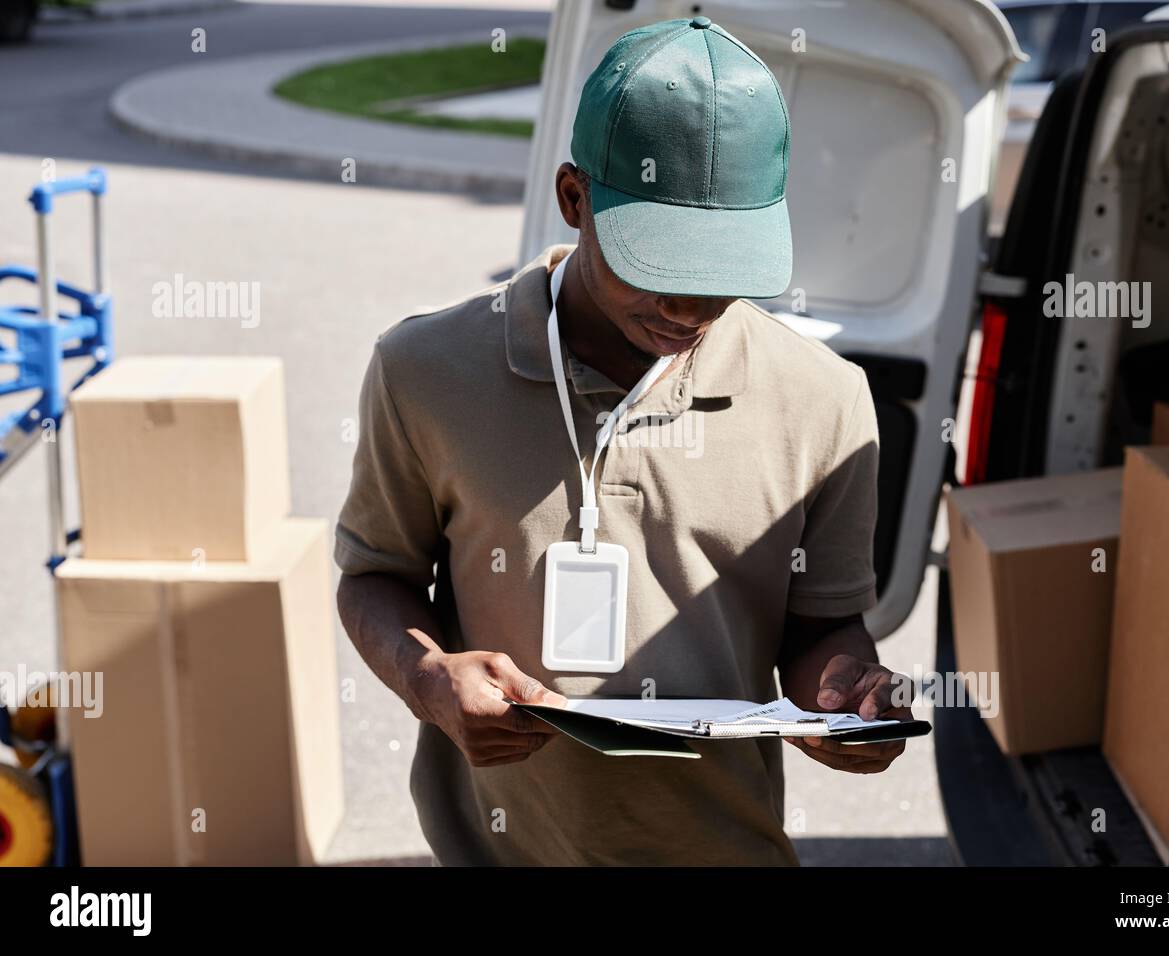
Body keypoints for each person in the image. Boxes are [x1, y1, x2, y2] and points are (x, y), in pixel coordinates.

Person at [335, 16, 913, 866]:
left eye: (720, 275)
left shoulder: (825, 401)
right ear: (575, 199)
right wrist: (429, 681)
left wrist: (843, 699)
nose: (687, 309)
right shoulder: (425, 370)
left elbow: (822, 626)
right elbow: (374, 577)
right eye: (658, 265)